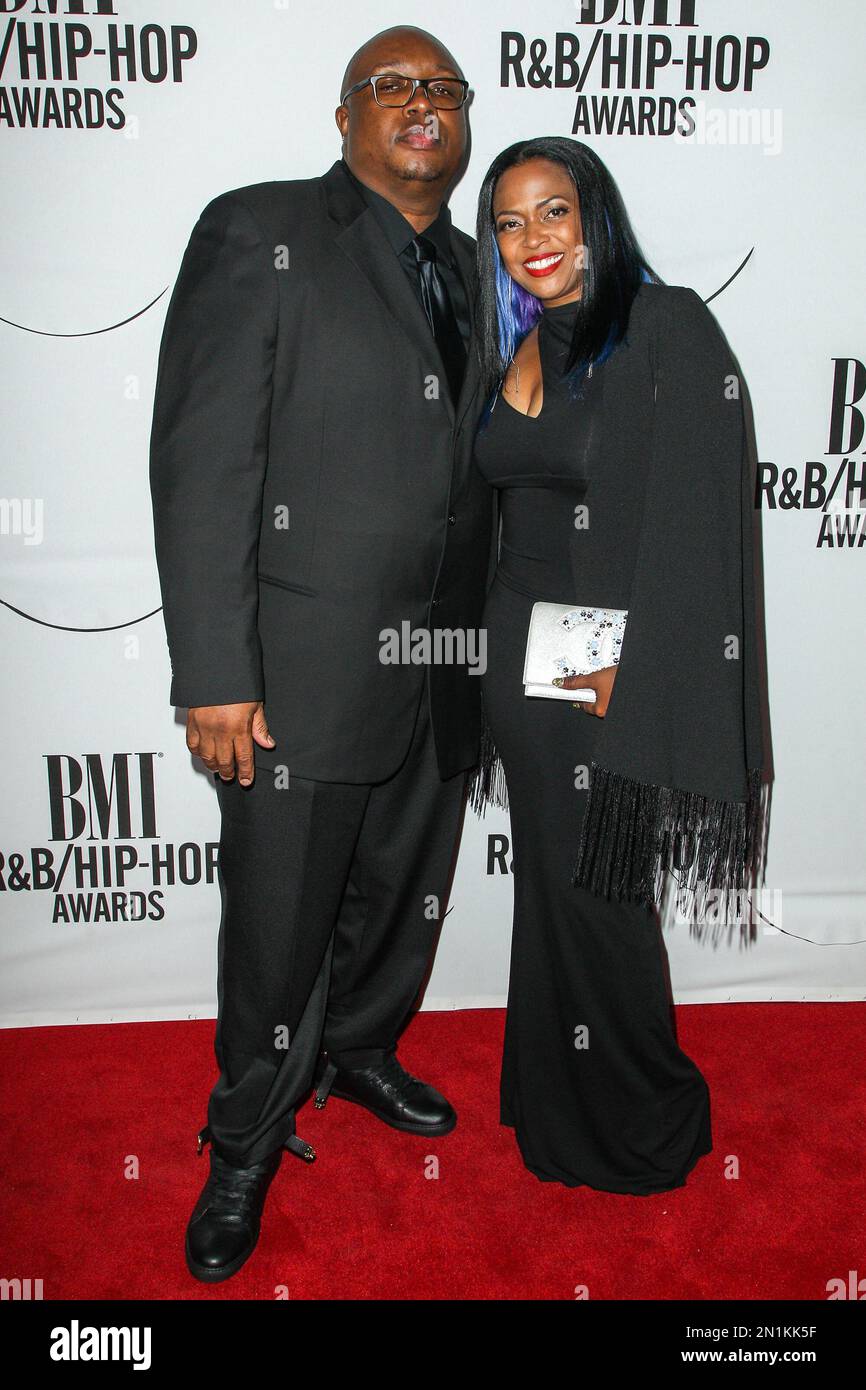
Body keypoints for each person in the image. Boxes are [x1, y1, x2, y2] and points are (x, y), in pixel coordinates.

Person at [149, 26, 495, 1281]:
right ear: (344, 116)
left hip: (441, 670)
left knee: (402, 899)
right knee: (280, 924)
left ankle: (355, 1049)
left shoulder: (480, 266)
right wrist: (214, 672)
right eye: (394, 87)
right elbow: (202, 463)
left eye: (444, 91)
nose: (423, 106)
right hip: (295, 675)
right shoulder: (262, 231)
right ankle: (242, 1137)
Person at [468, 136, 768, 1194]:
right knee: (555, 880)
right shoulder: (513, 341)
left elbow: (698, 517)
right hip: (515, 645)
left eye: (552, 212)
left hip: (604, 650)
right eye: (507, 221)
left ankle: (638, 1114)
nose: (532, 240)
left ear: (594, 216)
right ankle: (551, 1095)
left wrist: (639, 669)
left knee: (598, 884)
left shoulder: (664, 324)